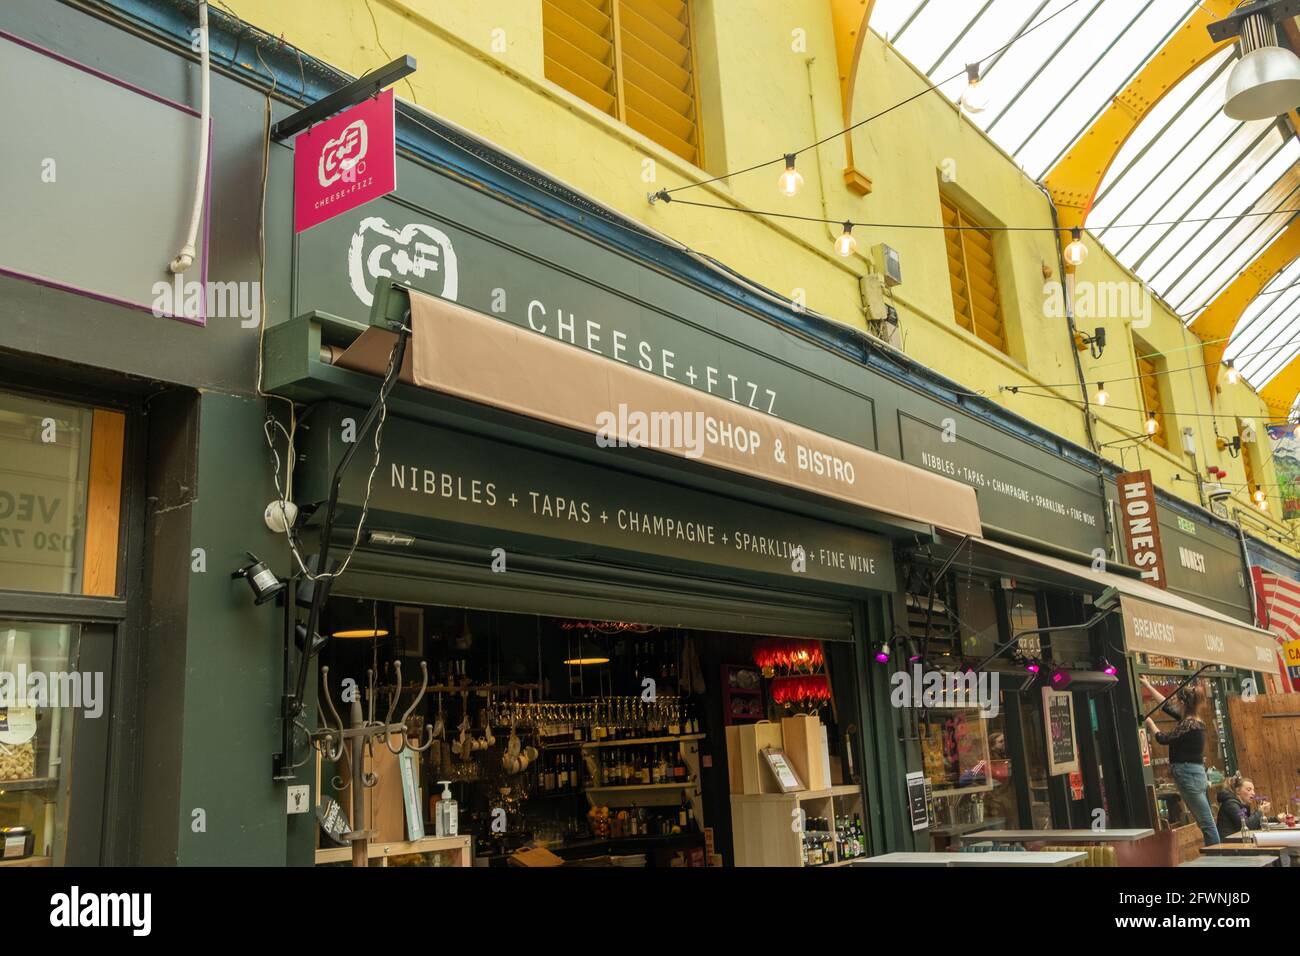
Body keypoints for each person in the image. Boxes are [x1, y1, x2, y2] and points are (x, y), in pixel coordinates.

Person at [1141, 676, 1220, 846]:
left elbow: (1163, 738)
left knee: (1206, 822)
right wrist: (1147, 685)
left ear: (1183, 703)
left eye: (1177, 701)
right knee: (1205, 821)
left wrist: (1150, 723)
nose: (1174, 704)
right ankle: (1216, 854)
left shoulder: (1188, 724)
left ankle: (1218, 858)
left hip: (1188, 774)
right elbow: (1166, 705)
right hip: (1194, 773)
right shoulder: (1193, 721)